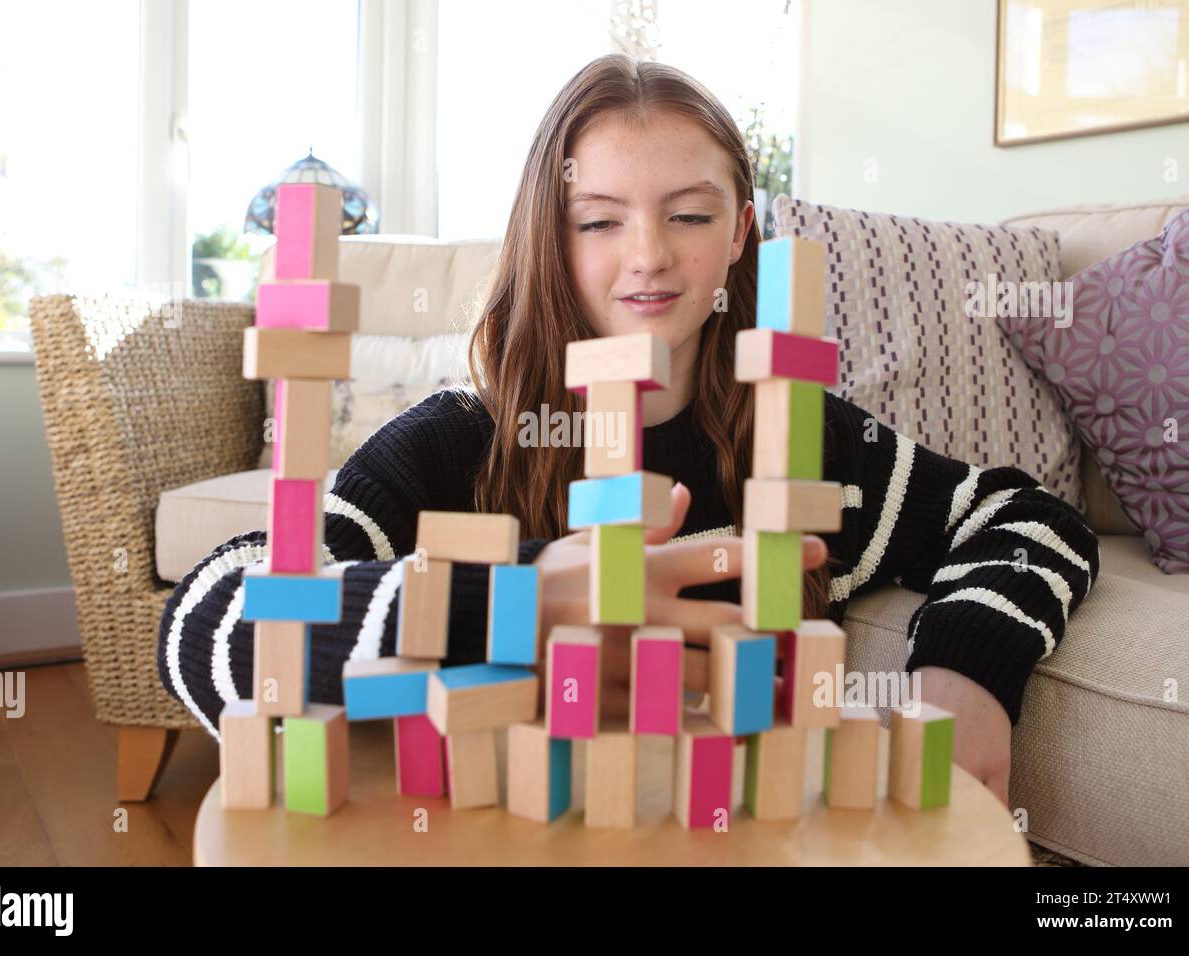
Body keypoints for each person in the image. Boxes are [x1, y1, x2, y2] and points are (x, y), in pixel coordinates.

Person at [159, 54, 1099, 808]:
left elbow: (1031, 520)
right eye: (599, 221)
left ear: (738, 232)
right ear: (552, 239)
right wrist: (503, 601)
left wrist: (968, 670)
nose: (648, 255)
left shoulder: (803, 441)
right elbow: (201, 624)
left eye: (689, 214)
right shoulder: (462, 438)